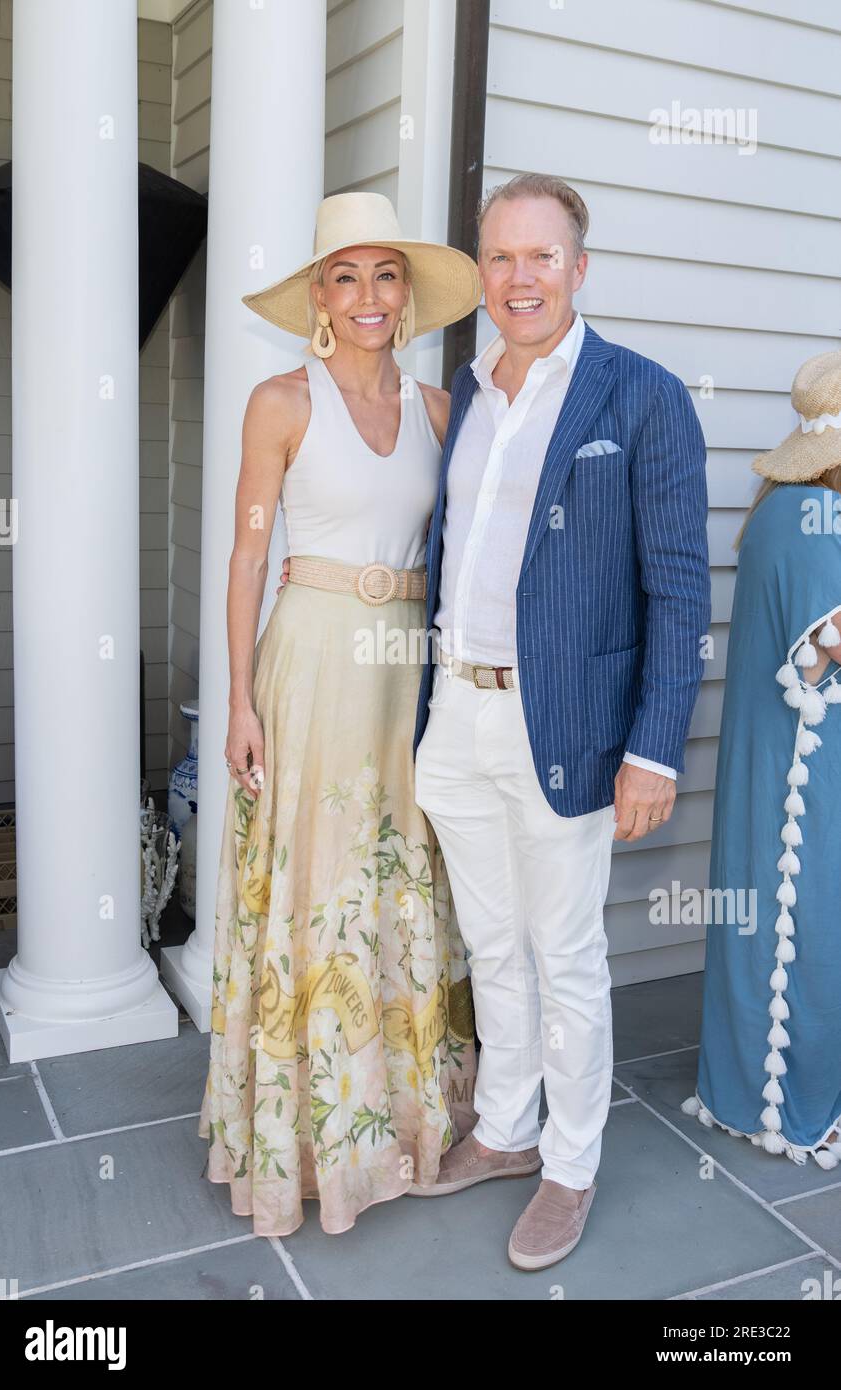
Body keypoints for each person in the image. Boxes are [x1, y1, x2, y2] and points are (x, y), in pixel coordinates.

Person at [407, 173, 712, 1271]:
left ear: (578, 268)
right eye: (500, 258)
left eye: (541, 256)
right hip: (453, 714)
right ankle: (504, 1126)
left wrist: (649, 748)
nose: (519, 277)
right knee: (490, 939)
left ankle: (570, 1166)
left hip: (570, 727)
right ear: (480, 273)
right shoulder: (468, 390)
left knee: (565, 952)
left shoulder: (639, 396)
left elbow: (678, 588)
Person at [197, 191, 481, 1237]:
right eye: (346, 276)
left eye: (386, 274)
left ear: (406, 294)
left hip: (402, 670)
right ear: (319, 294)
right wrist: (236, 700)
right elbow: (244, 556)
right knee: (312, 885)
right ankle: (304, 1142)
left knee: (399, 880)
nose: (367, 295)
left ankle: (397, 1121)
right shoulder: (280, 401)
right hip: (309, 664)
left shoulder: (439, 413)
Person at [682, 350, 841, 1169]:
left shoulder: (780, 508)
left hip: (771, 754)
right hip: (805, 770)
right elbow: (817, 661)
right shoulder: (819, 525)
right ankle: (796, 1100)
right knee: (808, 918)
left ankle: (744, 1088)